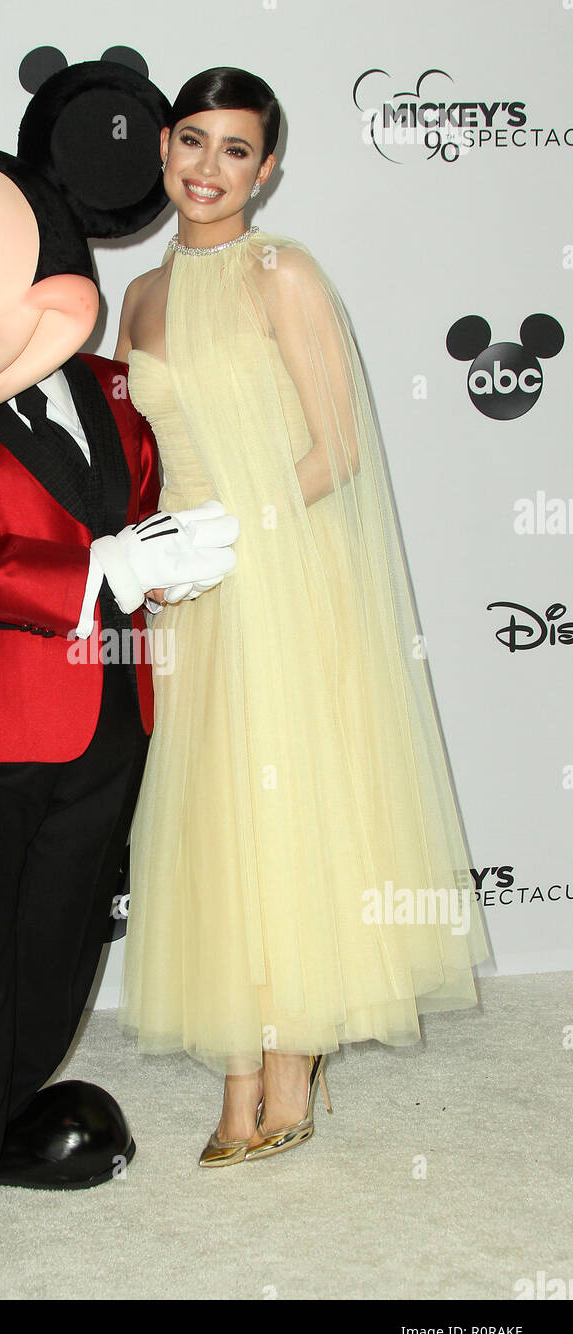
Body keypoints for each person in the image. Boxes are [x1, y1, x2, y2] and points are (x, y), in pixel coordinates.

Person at [113, 66, 492, 1167]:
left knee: (283, 804)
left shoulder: (284, 275)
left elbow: (334, 449)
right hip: (192, 594)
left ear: (267, 168)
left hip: (280, 573)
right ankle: (239, 1060)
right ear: (163, 149)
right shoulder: (137, 298)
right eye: (191, 141)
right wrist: (161, 555)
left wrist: (230, 537)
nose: (207, 168)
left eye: (235, 150)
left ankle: (290, 1057)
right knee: (210, 816)